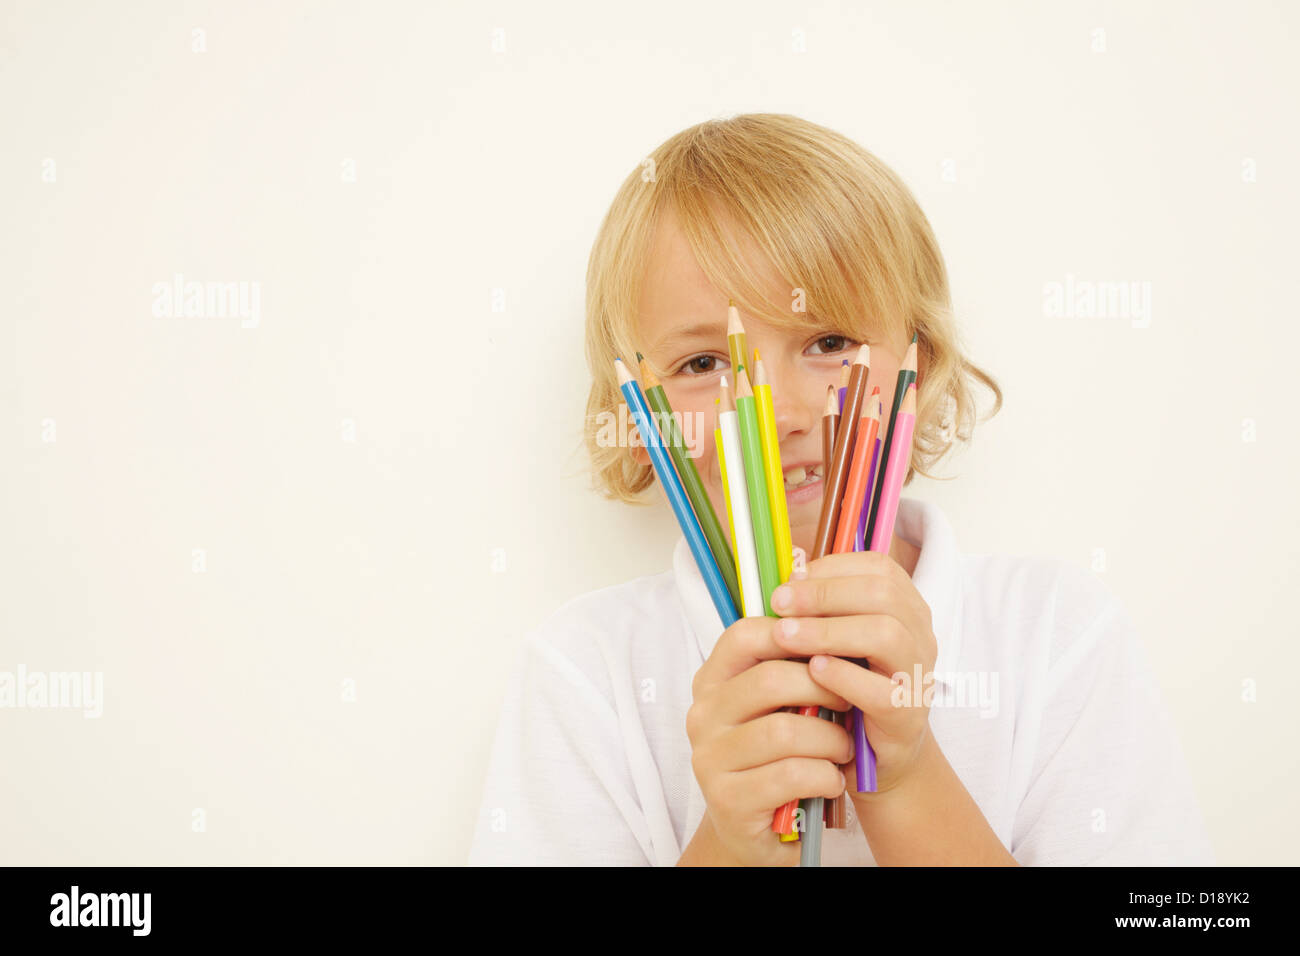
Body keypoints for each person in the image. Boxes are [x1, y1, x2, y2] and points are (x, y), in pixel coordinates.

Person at [467, 113, 1214, 866]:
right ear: (641, 417)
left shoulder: (1058, 635)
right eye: (702, 363)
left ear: (919, 365)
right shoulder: (585, 671)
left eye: (828, 343)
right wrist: (730, 842)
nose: (779, 413)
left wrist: (906, 778)